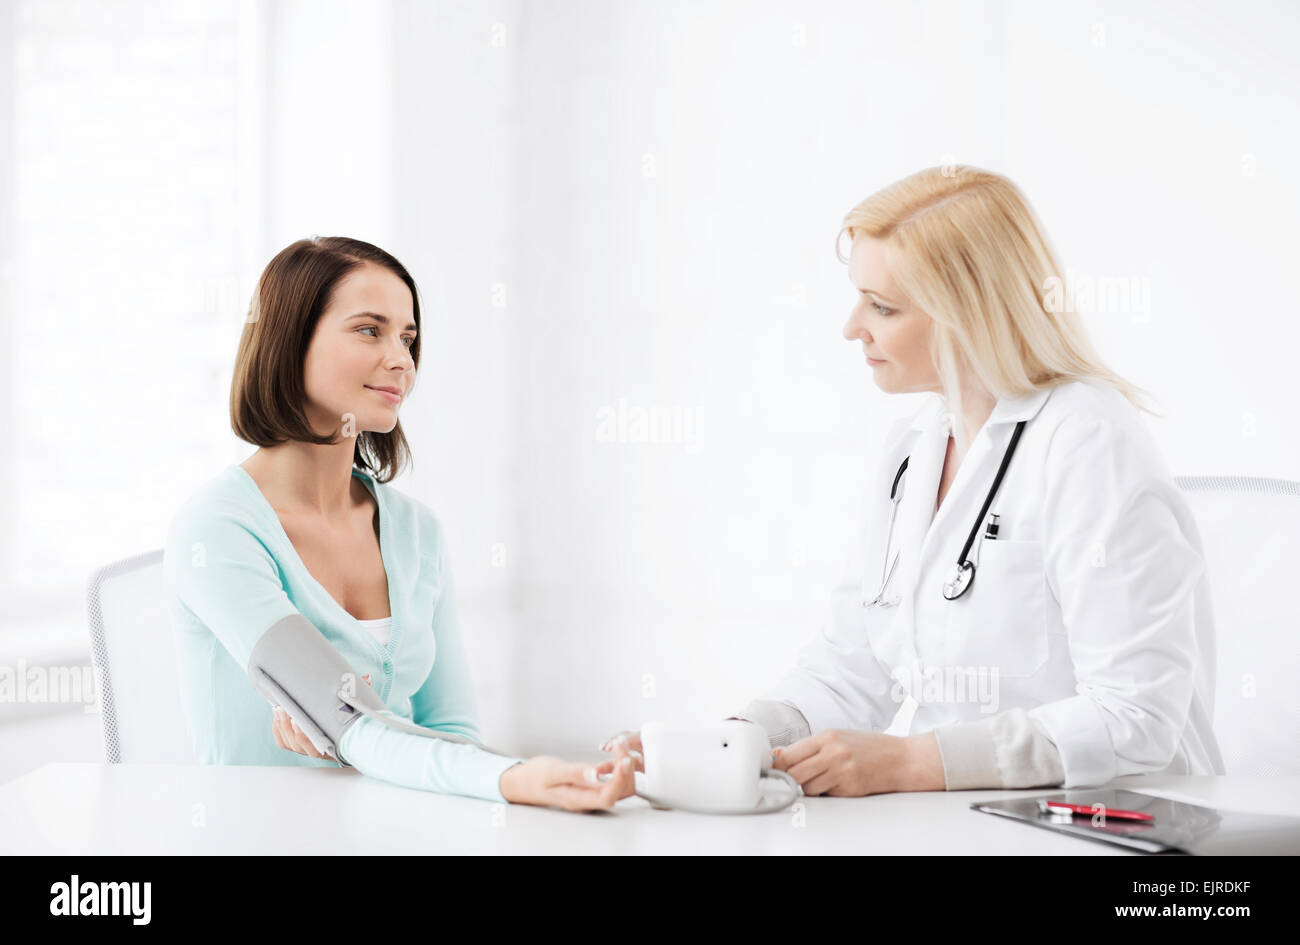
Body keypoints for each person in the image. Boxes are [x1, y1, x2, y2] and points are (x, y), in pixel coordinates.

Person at [603, 165, 1225, 796]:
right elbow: (852, 668)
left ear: (968, 315)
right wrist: (730, 745)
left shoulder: (1089, 443)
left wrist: (910, 763)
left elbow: (1136, 718)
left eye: (882, 307)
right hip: (964, 822)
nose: (852, 327)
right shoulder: (913, 449)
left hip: (1117, 825)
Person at [165, 236, 635, 811]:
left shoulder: (416, 530)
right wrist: (511, 777)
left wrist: (351, 741)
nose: (402, 361)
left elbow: (452, 729)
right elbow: (349, 719)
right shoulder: (217, 532)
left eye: (408, 339)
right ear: (291, 342)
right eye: (370, 330)